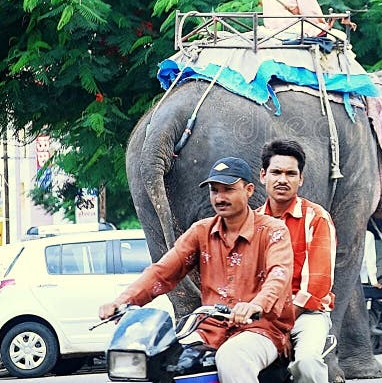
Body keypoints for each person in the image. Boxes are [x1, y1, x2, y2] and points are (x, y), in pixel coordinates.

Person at [98, 157, 294, 383]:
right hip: (210, 329)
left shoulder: (273, 231)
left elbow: (279, 274)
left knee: (233, 358)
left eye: (228, 190)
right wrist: (122, 302)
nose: (220, 198)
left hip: (261, 329)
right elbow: (162, 271)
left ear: (249, 190)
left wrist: (255, 305)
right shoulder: (201, 231)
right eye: (214, 191)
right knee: (164, 358)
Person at [258, 139, 336, 383]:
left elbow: (317, 284)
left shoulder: (317, 218)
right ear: (263, 176)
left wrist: (282, 323)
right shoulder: (252, 222)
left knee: (307, 362)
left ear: (300, 179)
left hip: (307, 314)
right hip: (262, 314)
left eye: (291, 173)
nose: (283, 179)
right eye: (276, 172)